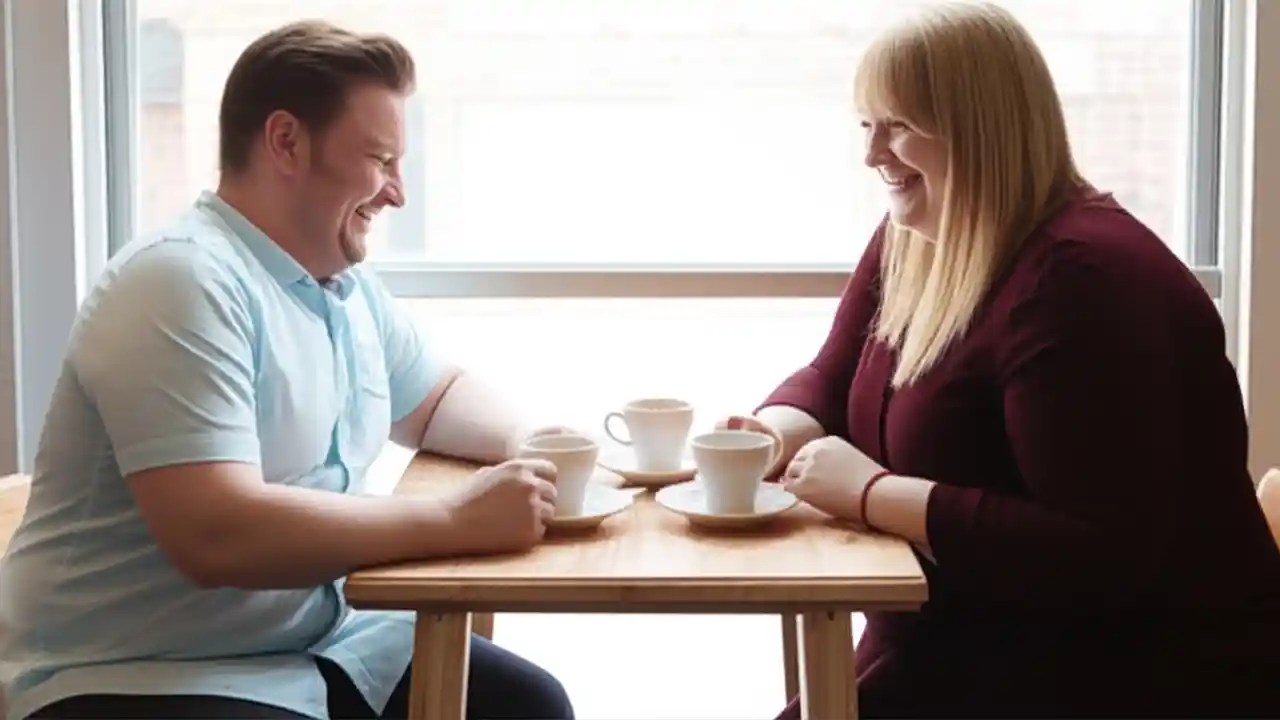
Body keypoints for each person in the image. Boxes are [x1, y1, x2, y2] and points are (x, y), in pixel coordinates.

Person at [0, 20, 576, 720]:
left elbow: (437, 396)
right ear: (285, 142)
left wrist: (539, 449)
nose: (397, 192)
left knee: (529, 706)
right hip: (137, 672)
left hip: (313, 643)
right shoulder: (179, 283)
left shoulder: (342, 288)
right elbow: (218, 535)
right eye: (381, 159)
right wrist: (453, 518)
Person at [725, 2, 1280, 717]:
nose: (872, 154)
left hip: (1121, 673)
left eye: (897, 126)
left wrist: (871, 494)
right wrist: (778, 430)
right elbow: (833, 374)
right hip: (963, 640)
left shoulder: (1080, 280)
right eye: (866, 125)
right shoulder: (922, 235)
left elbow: (1099, 556)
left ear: (976, 128)